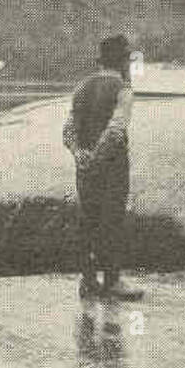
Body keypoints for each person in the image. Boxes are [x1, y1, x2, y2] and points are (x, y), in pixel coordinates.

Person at [63, 35, 143, 301]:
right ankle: (112, 280)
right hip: (112, 165)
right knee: (112, 220)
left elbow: (69, 129)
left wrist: (79, 154)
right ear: (122, 62)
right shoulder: (122, 89)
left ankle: (87, 280)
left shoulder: (81, 87)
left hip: (84, 165)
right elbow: (116, 129)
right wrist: (98, 157)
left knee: (88, 219)